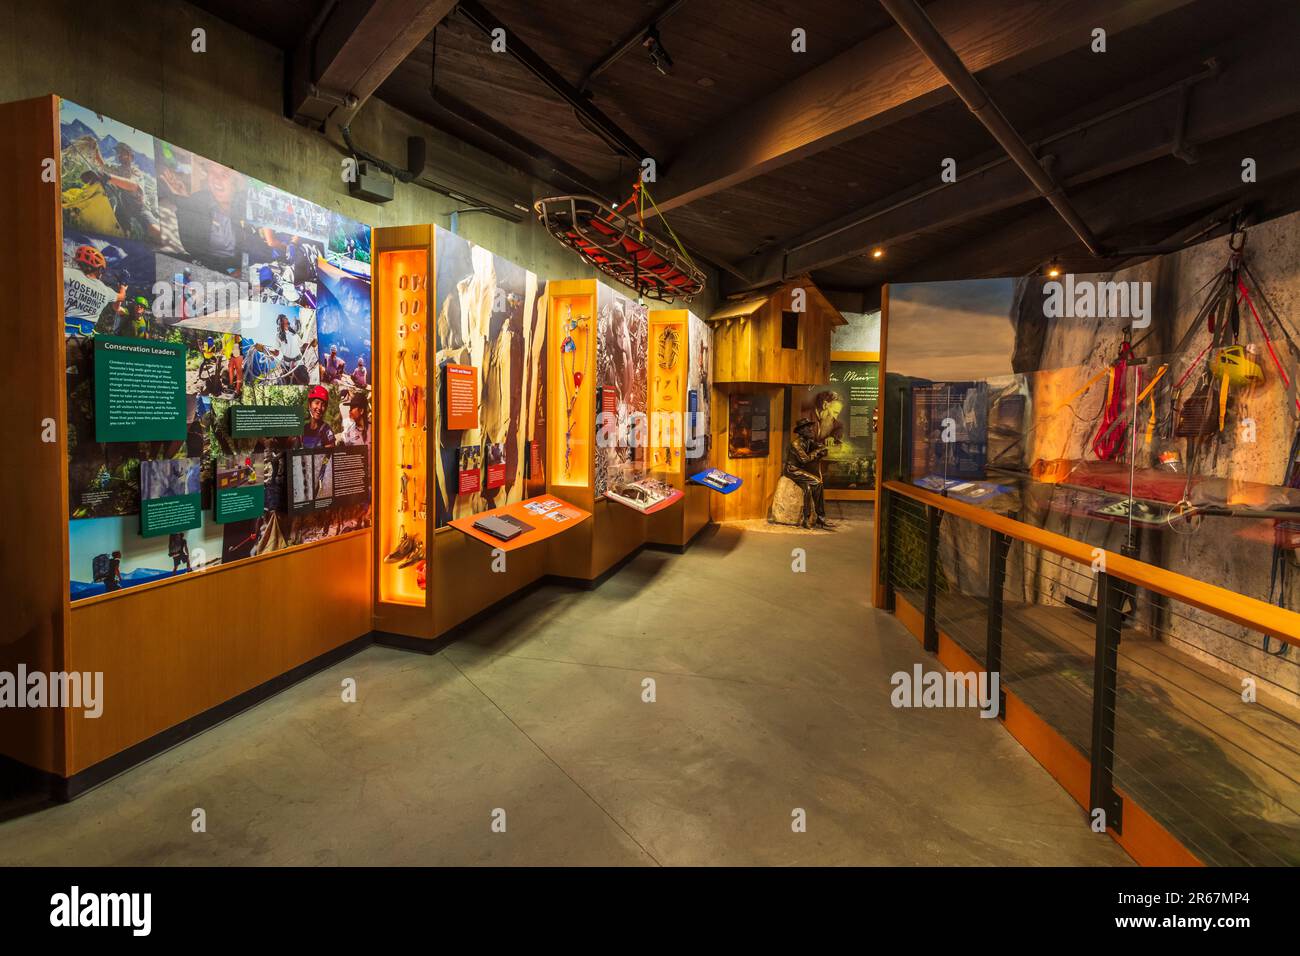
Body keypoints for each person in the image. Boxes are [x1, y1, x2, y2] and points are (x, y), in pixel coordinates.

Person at [66, 244, 125, 336]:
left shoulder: (67, 274)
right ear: (99, 269)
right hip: (85, 340)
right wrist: (123, 285)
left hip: (63, 334)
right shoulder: (105, 291)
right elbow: (121, 297)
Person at [786, 418, 834, 530]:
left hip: (802, 470)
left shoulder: (808, 441)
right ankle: (815, 517)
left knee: (808, 488)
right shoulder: (796, 444)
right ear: (801, 431)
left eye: (811, 427)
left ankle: (816, 518)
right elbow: (805, 459)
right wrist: (817, 452)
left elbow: (821, 447)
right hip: (793, 470)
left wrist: (822, 450)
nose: (811, 429)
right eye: (808, 427)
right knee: (817, 482)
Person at [302, 384, 336, 448]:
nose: (319, 408)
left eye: (323, 405)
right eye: (317, 403)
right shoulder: (304, 429)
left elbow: (330, 455)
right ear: (309, 405)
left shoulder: (326, 431)